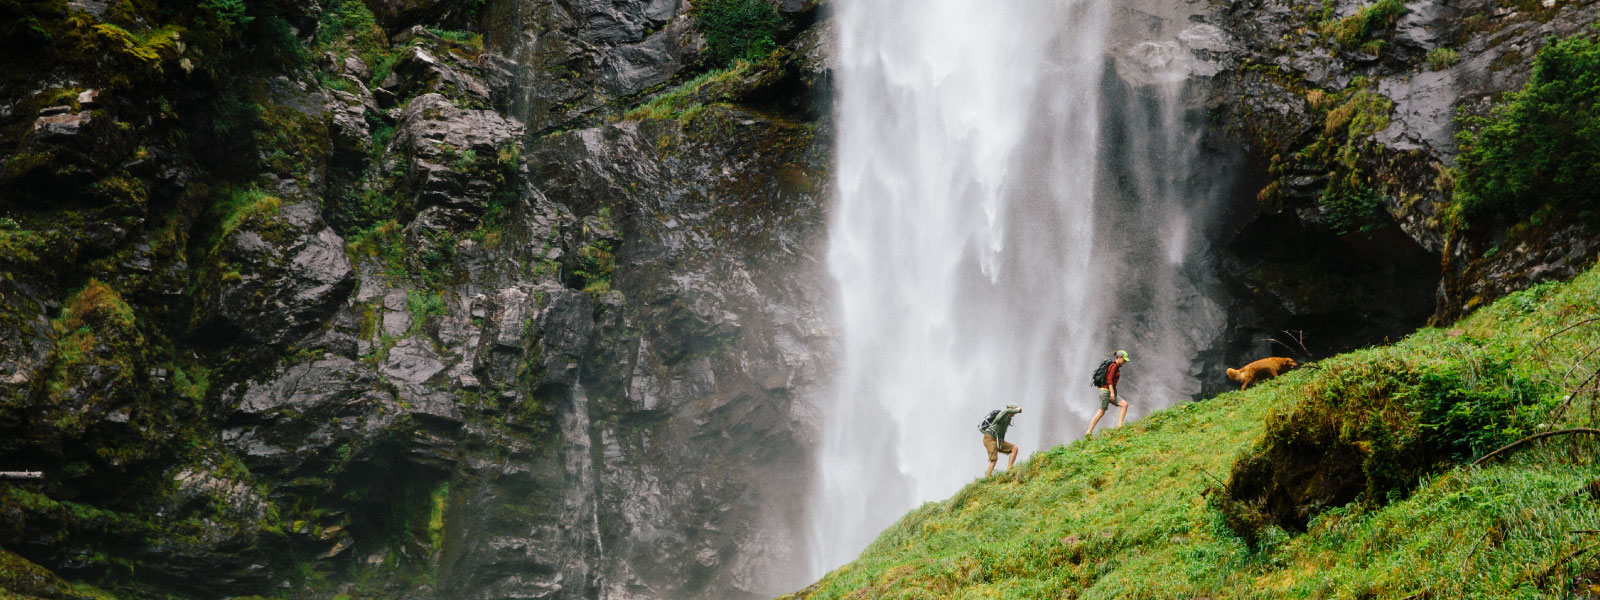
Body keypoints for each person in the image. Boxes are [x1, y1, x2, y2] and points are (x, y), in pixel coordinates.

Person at [1085, 350, 1130, 437]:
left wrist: (1112, 392)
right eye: (1124, 360)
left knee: (1124, 404)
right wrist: (1112, 393)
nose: (1124, 362)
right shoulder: (1113, 366)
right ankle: (1088, 432)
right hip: (1106, 392)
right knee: (1101, 412)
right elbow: (1109, 379)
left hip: (1109, 392)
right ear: (1119, 357)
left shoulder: (1116, 367)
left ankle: (1119, 427)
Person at [980, 403, 1023, 476]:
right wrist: (1017, 410)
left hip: (998, 440)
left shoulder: (1008, 419)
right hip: (989, 438)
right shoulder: (1002, 414)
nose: (1014, 414)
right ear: (1009, 408)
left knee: (1014, 448)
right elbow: (1006, 411)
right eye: (1013, 409)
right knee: (994, 460)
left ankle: (1009, 471)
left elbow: (1002, 432)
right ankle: (988, 479)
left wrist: (1000, 445)